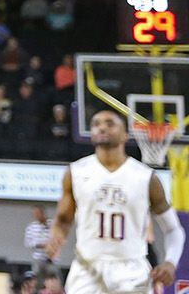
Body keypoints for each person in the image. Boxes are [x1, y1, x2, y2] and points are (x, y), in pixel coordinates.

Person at [45, 111, 181, 294]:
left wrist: (170, 262)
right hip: (87, 268)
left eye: (110, 123)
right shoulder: (75, 172)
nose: (101, 127)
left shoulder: (146, 178)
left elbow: (173, 229)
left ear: (126, 134)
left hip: (132, 269)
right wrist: (55, 234)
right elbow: (63, 219)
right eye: (96, 124)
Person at [24, 205, 54, 278]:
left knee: (54, 279)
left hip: (52, 259)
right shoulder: (31, 227)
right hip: (37, 259)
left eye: (39, 212)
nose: (38, 215)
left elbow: (59, 236)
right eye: (35, 213)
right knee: (38, 280)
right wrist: (40, 245)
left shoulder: (52, 224)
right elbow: (27, 243)